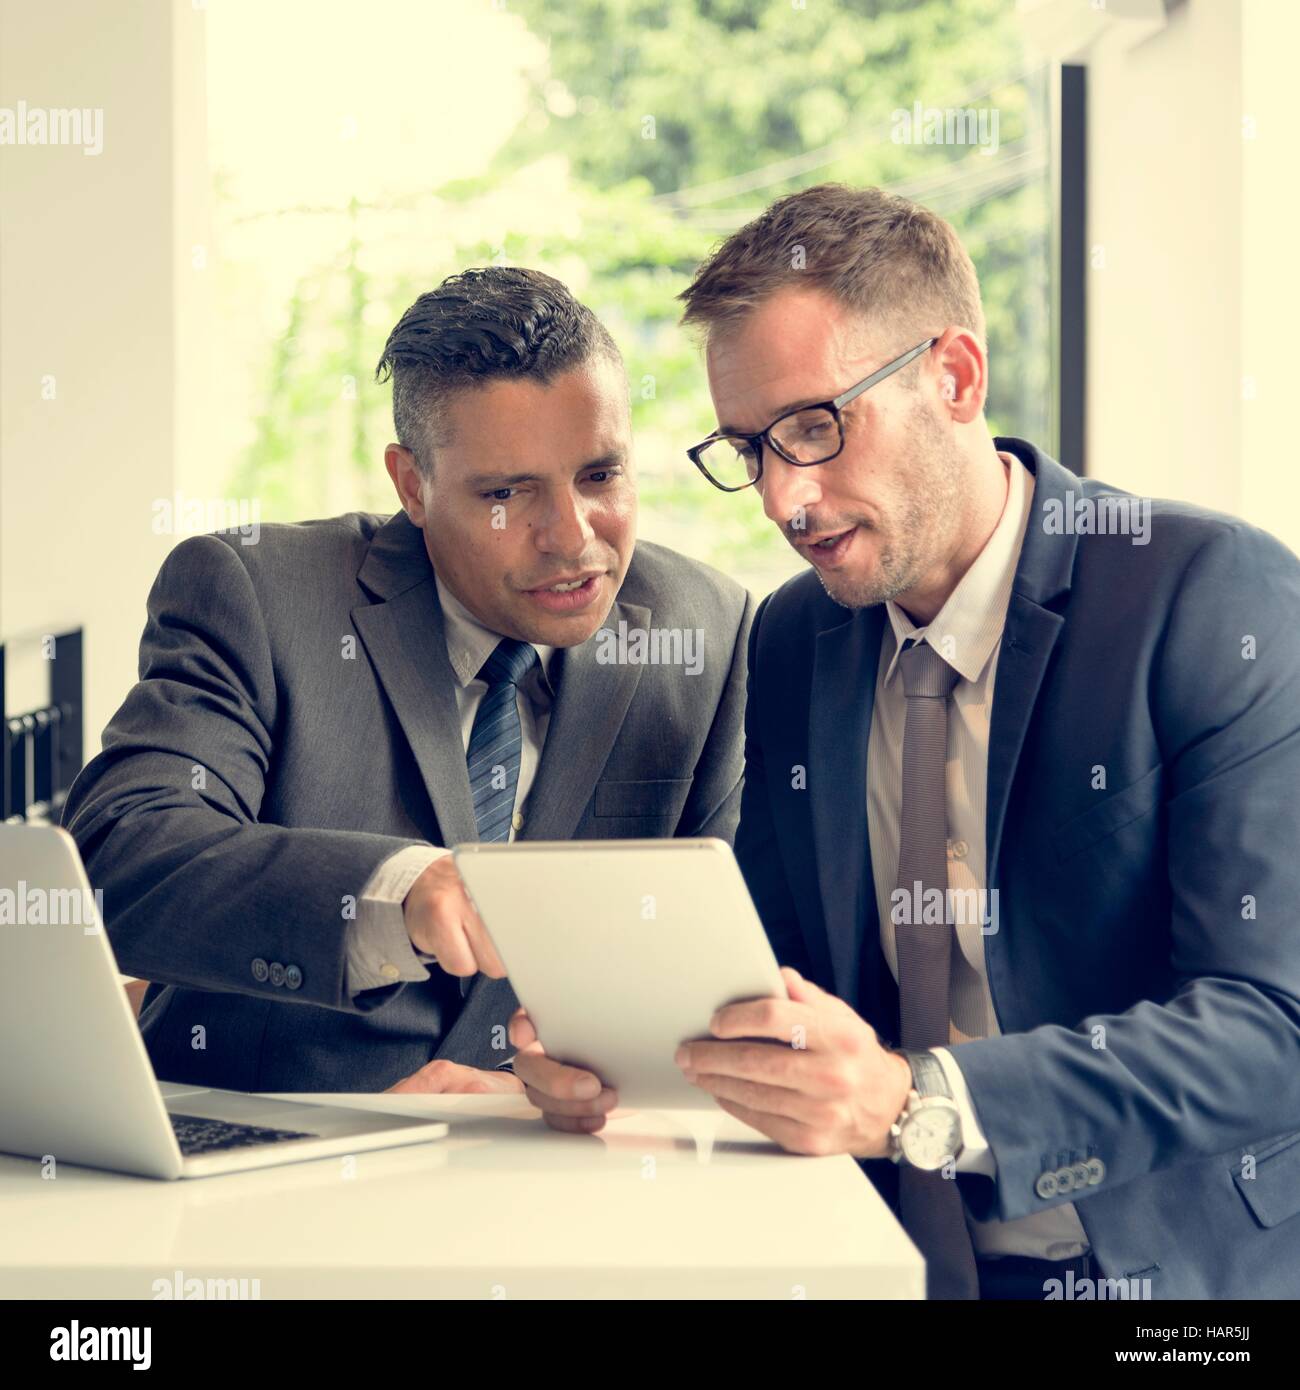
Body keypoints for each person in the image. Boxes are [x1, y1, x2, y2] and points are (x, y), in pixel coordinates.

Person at [534, 183, 1300, 1301]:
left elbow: (1271, 1023)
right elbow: (785, 971)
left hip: (1171, 1282)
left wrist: (920, 1101)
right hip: (876, 1260)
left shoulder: (1205, 594)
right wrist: (619, 1046)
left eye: (814, 425)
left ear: (954, 377)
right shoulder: (799, 635)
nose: (784, 499)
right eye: (750, 448)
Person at [62, 266, 751, 1104]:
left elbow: (723, 972)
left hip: (553, 1172)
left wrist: (548, 1091)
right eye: (506, 493)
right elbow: (122, 858)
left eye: (600, 477)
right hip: (272, 1157)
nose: (573, 538)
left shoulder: (707, 630)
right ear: (411, 486)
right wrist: (400, 893)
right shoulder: (256, 594)